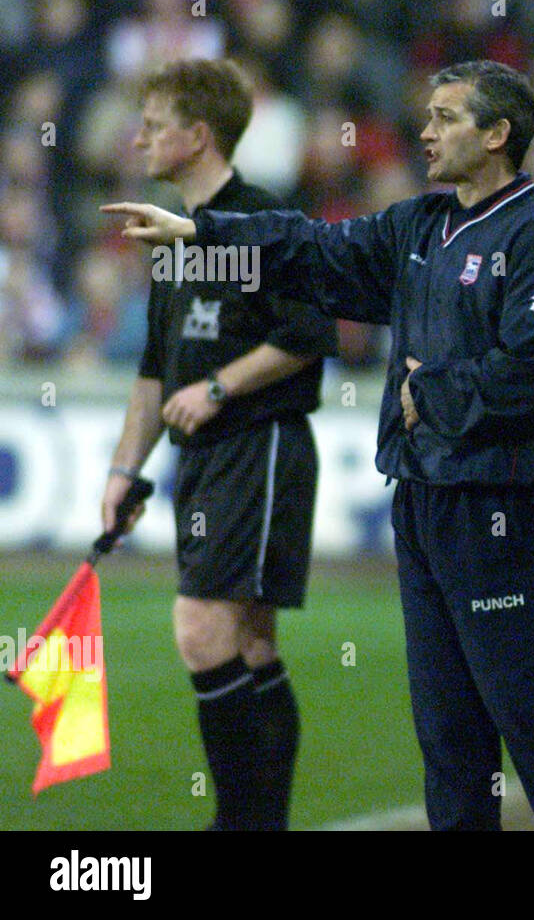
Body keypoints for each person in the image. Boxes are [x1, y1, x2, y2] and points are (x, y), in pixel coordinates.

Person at [103, 59, 534, 831]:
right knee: (448, 736)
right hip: (422, 499)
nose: (426, 131)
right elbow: (311, 249)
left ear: (498, 134)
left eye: (446, 118)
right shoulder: (419, 226)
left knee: (533, 717)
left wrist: (426, 393)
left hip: (502, 509)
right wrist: (201, 232)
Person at [101, 59, 338, 830]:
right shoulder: (172, 237)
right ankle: (261, 823)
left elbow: (309, 333)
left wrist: (217, 388)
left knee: (201, 630)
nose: (137, 137)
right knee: (253, 646)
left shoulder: (261, 222)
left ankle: (239, 822)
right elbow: (152, 366)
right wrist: (122, 470)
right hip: (209, 459)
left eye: (154, 124)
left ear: (198, 136)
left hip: (260, 446)